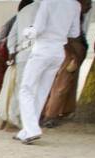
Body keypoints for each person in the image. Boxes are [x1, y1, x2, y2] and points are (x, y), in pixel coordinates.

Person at [15, 0, 82, 143]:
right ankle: (27, 130)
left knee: (26, 89)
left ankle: (32, 129)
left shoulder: (48, 2)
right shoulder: (75, 5)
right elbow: (74, 32)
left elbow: (38, 29)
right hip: (58, 52)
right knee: (42, 91)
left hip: (42, 49)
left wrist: (27, 31)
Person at [42, 0, 93, 124]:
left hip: (71, 50)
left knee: (63, 83)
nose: (89, 7)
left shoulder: (75, 14)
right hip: (70, 52)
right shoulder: (70, 13)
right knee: (62, 85)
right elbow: (68, 37)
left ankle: (53, 111)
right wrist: (74, 55)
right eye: (87, 4)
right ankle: (50, 115)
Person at [0, 0, 40, 128]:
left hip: (21, 53)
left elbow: (12, 35)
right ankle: (18, 120)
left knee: (19, 88)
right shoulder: (47, 9)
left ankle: (13, 118)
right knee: (33, 89)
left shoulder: (24, 11)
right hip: (38, 54)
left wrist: (12, 51)